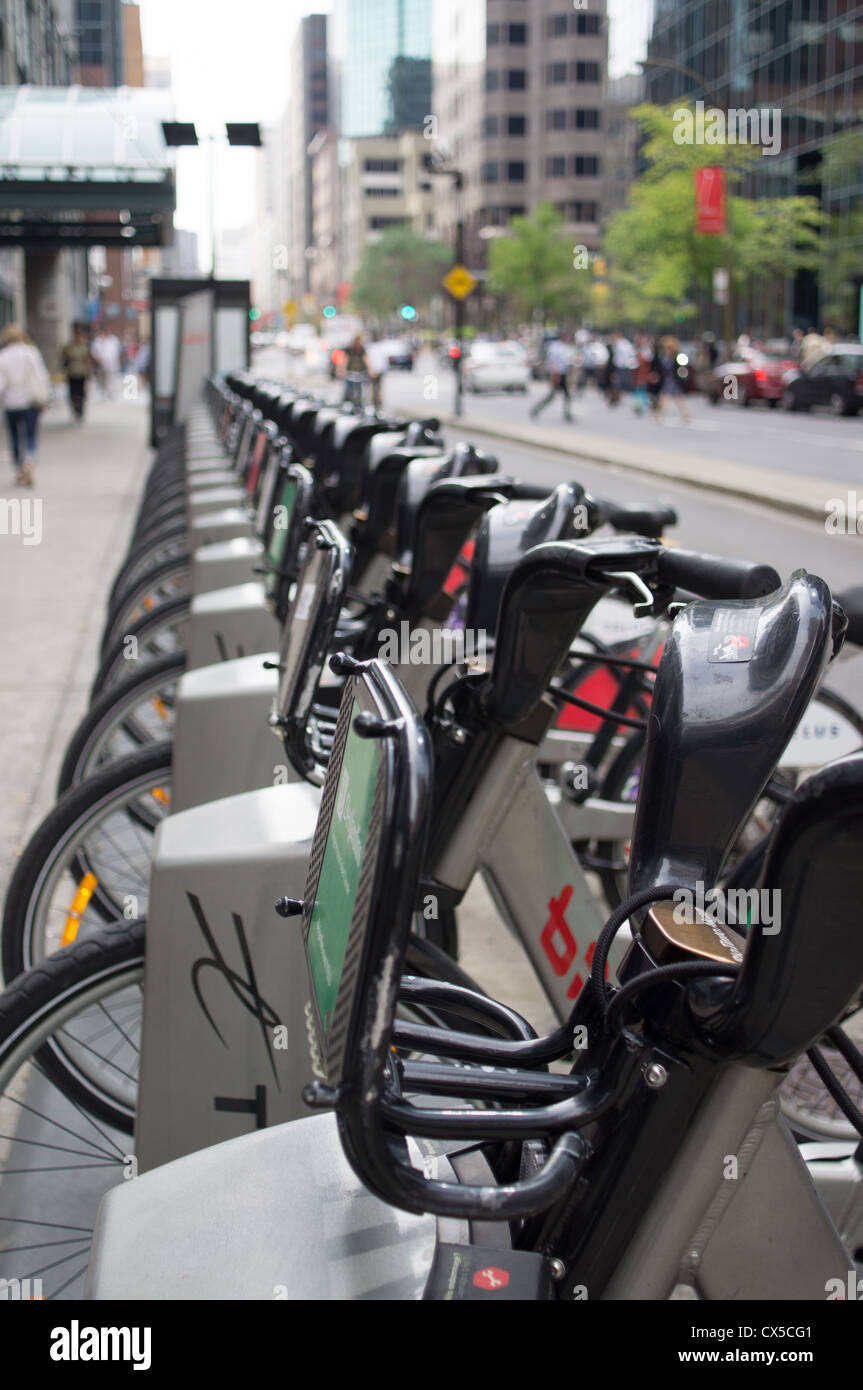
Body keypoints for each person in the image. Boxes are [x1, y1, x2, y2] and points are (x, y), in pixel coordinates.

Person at [0, 323, 52, 486]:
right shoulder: (31, 353)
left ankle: (19, 467)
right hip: (30, 401)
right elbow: (42, 376)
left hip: (11, 404)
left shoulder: (3, 356)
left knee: (15, 436)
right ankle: (29, 461)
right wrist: (45, 398)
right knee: (30, 435)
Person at [530, 335, 574, 422]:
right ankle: (536, 409)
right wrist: (554, 376)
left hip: (561, 374)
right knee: (552, 396)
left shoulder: (560, 346)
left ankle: (567, 414)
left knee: (566, 395)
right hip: (557, 374)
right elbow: (553, 362)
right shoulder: (556, 347)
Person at [652, 334, 690, 423]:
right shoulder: (664, 356)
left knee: (677, 398)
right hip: (667, 379)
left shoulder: (678, 355)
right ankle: (658, 416)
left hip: (674, 380)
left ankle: (685, 415)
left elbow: (683, 366)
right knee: (665, 398)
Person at [61, 324, 95, 423]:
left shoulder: (85, 346)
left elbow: (88, 359)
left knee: (81, 393)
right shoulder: (68, 346)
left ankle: (80, 410)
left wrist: (90, 372)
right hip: (72, 372)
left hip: (82, 373)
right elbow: (64, 359)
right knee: (72, 393)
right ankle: (75, 409)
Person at [366, 336, 388, 411]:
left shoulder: (373, 348)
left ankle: (377, 402)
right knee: (375, 387)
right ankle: (375, 402)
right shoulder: (376, 348)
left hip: (378, 370)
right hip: (376, 370)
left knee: (376, 387)